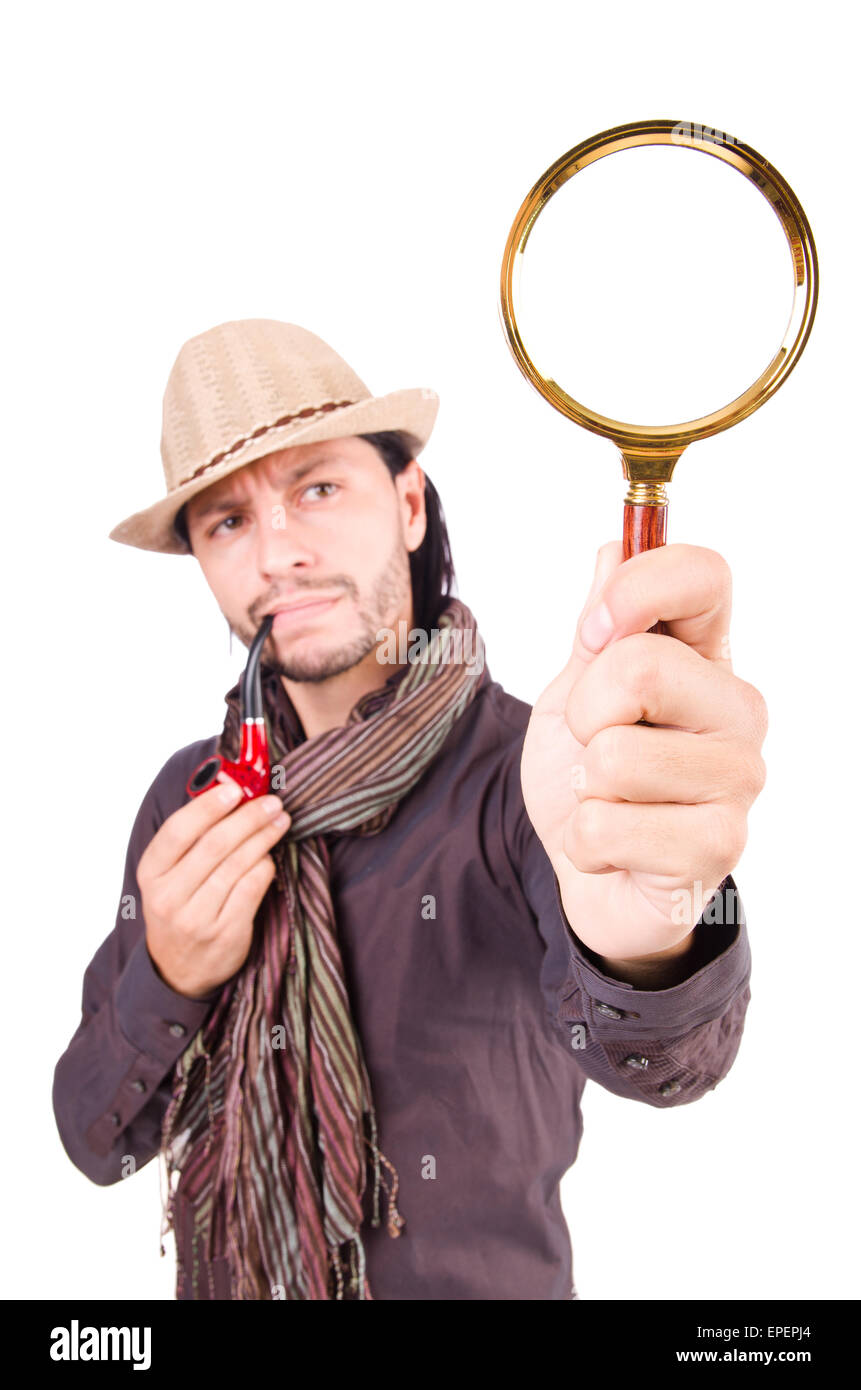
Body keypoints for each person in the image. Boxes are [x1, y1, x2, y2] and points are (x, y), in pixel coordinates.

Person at [52, 318, 765, 1301]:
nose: (277, 554)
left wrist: (648, 932)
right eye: (227, 521)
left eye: (318, 487)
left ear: (411, 501)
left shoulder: (540, 773)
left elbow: (672, 1061)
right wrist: (167, 976)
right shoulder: (188, 800)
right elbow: (93, 1135)